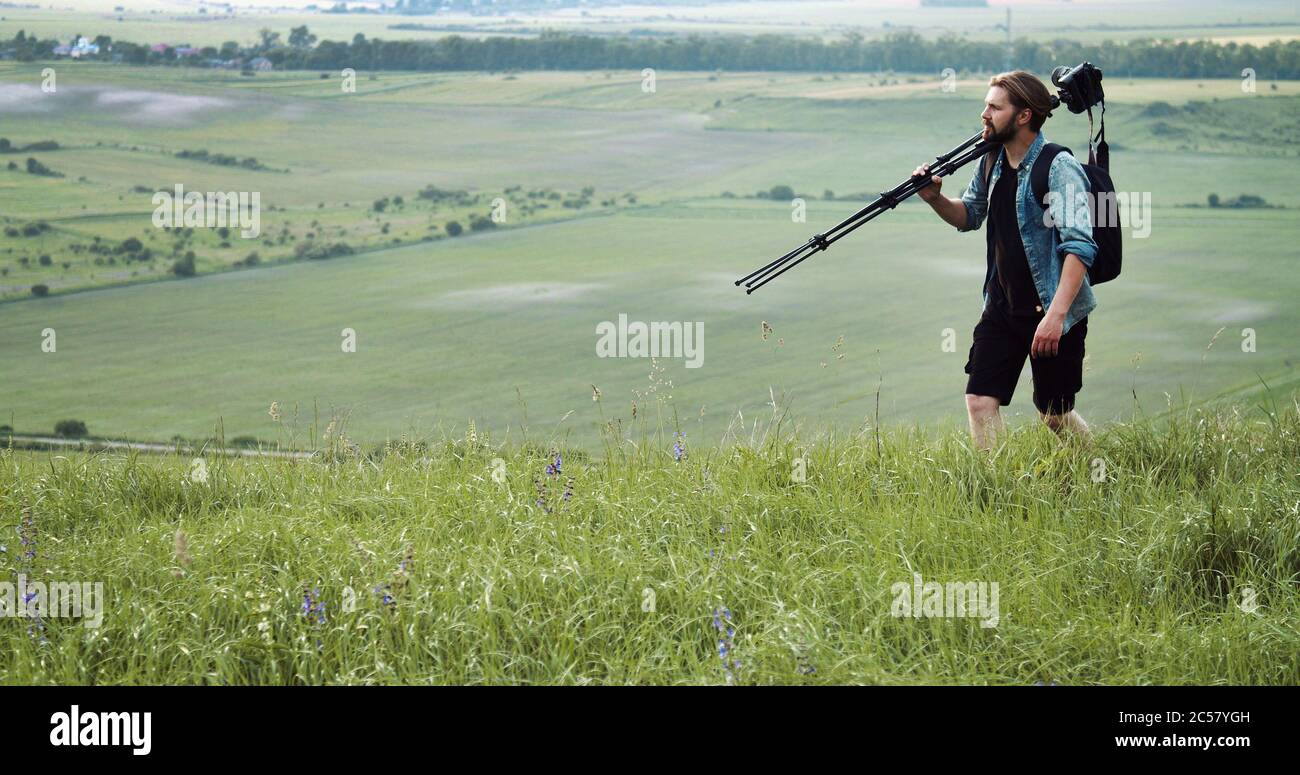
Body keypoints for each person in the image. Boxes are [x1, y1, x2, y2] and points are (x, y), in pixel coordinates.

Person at [914, 70, 1099, 449]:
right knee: (980, 401)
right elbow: (970, 214)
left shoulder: (1059, 167)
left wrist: (1056, 317)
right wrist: (934, 198)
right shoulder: (992, 159)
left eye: (994, 108)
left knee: (1054, 413)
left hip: (1051, 309)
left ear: (1023, 116)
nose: (984, 114)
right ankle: (999, 492)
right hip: (1001, 306)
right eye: (986, 105)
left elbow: (1079, 247)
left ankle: (1100, 473)